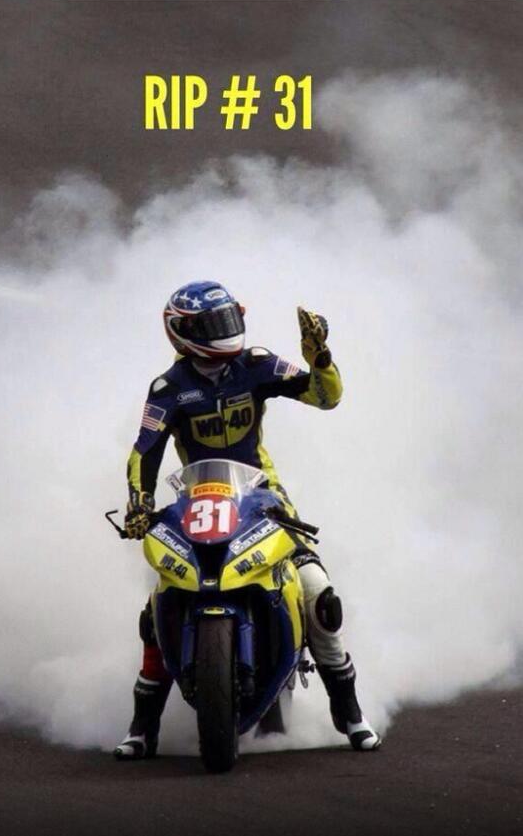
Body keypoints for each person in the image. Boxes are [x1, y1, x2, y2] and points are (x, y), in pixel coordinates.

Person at [114, 280, 381, 759]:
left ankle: (349, 711)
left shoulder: (257, 364)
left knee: (319, 592)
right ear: (181, 332)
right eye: (212, 325)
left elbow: (326, 398)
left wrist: (319, 357)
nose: (225, 331)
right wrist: (139, 503)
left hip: (262, 496)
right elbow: (145, 451)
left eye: (229, 319)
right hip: (196, 499)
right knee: (161, 601)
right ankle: (142, 727)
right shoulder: (167, 389)